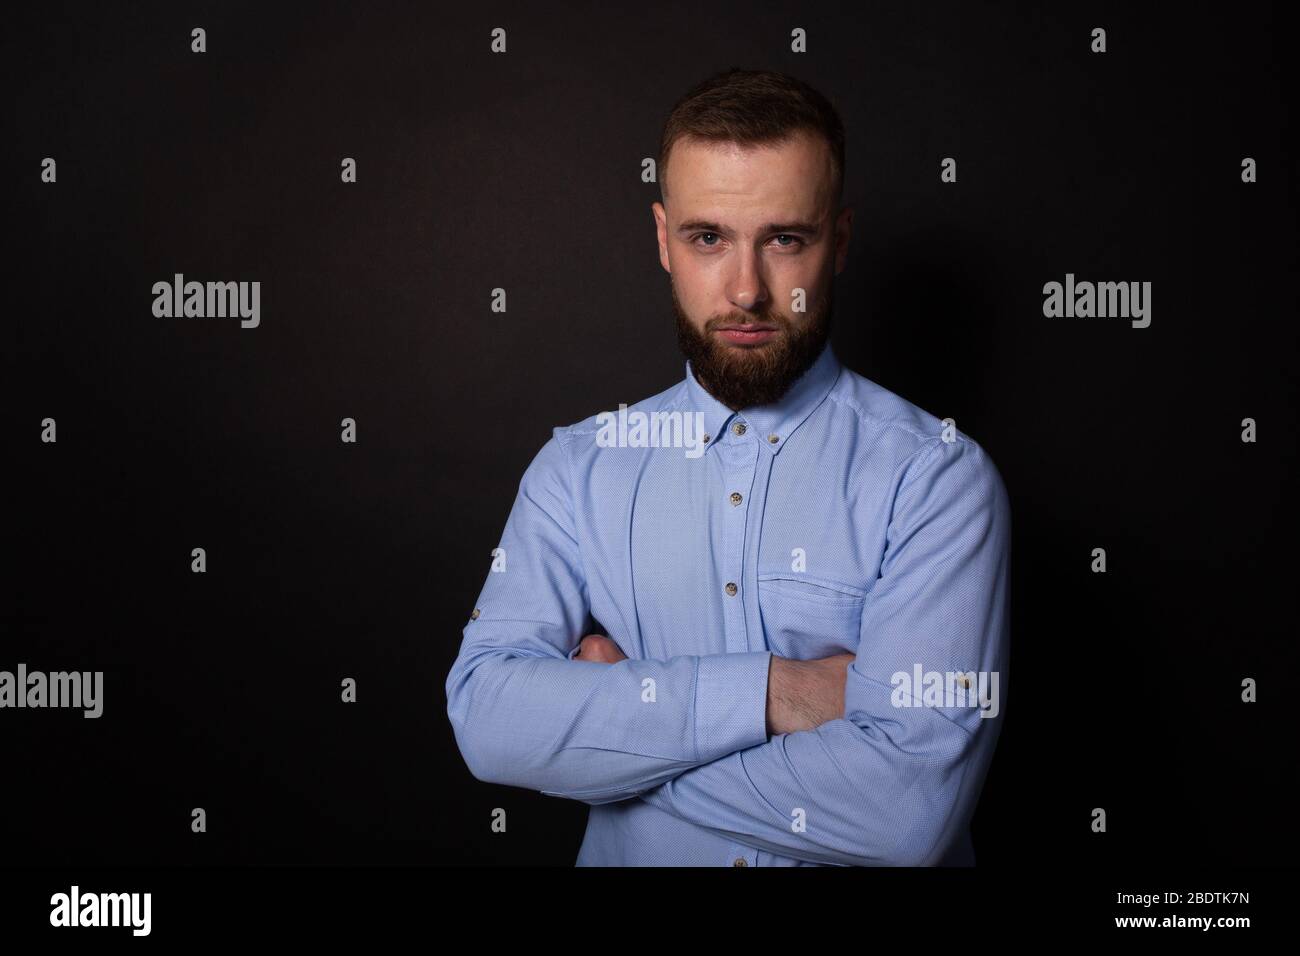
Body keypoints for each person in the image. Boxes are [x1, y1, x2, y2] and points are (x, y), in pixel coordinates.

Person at [446, 68, 1011, 866]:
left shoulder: (937, 479)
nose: (746, 290)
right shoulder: (575, 469)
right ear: (661, 239)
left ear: (838, 243)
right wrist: (774, 692)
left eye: (786, 239)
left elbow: (904, 814)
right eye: (707, 237)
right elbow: (488, 722)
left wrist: (618, 747)